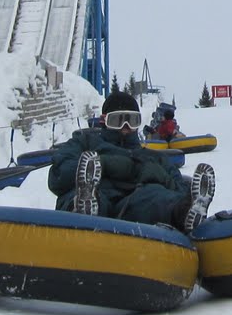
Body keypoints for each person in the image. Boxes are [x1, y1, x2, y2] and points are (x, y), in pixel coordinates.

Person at [49, 90, 216, 234]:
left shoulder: (154, 157)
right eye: (118, 120)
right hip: (100, 191)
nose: (125, 126)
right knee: (91, 197)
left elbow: (179, 188)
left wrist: (162, 178)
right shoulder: (85, 143)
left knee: (155, 197)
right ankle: (84, 208)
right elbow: (58, 175)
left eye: (132, 120)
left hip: (133, 206)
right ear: (104, 121)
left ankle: (183, 213)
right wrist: (103, 164)